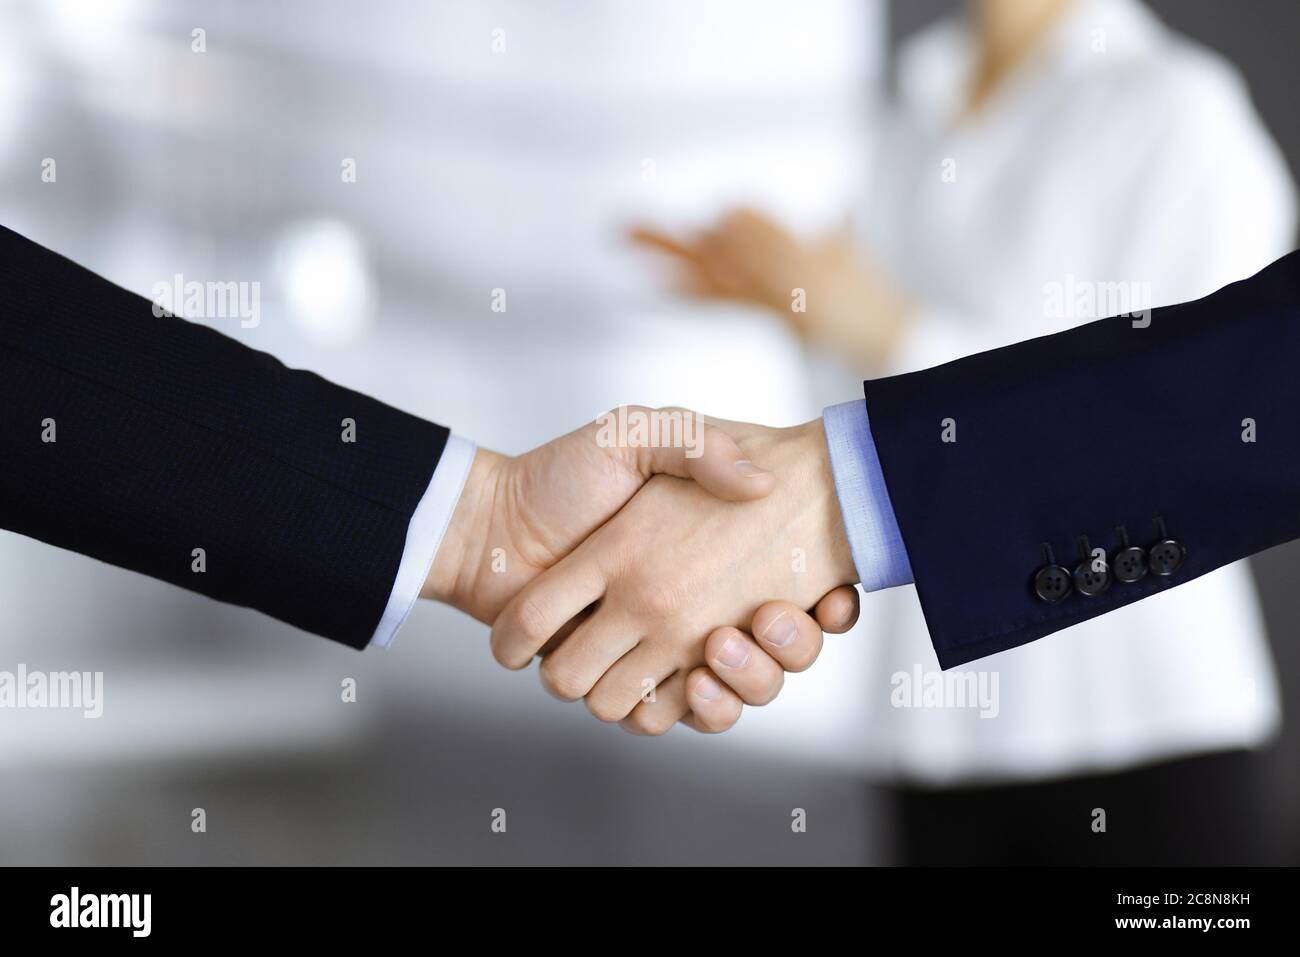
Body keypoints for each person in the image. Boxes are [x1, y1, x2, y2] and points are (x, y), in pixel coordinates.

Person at [629, 0, 1293, 860]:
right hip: (935, 729)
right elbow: (878, 428)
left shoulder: (1177, 106)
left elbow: (1197, 419)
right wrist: (803, 309)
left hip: (1137, 718)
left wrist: (878, 321)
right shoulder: (915, 108)